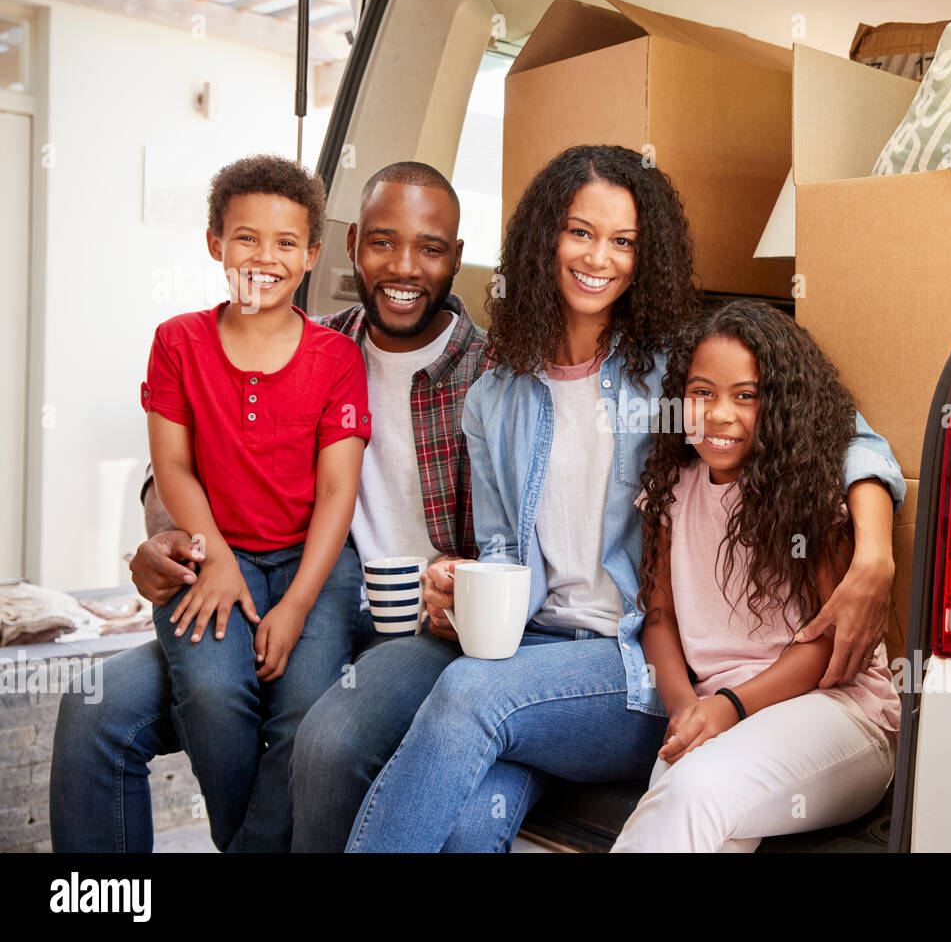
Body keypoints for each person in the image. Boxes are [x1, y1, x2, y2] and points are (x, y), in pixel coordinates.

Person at [344, 144, 905, 852]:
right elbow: (500, 549)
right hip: (534, 651)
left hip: (630, 664)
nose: (598, 258)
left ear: (648, 257)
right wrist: (460, 586)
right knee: (464, 821)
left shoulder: (683, 367)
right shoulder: (493, 396)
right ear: (545, 238)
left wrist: (876, 557)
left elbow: (849, 436)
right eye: (580, 232)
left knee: (468, 695)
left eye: (624, 242)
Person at [49, 161, 488, 852]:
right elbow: (180, 467)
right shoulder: (322, 337)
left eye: (429, 248)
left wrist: (465, 583)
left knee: (320, 733)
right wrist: (170, 543)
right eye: (381, 242)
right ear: (347, 249)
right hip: (251, 581)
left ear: (455, 260)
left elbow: (516, 542)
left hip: (401, 631)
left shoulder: (491, 378)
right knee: (93, 708)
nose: (404, 266)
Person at [609, 300, 900, 852]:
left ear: (781, 406)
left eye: (746, 396)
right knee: (701, 824)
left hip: (838, 714)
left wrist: (729, 707)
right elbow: (660, 615)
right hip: (714, 716)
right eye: (702, 392)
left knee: (695, 792)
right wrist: (684, 710)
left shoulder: (811, 494)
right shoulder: (672, 490)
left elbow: (828, 644)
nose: (720, 414)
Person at [140, 154, 369, 851]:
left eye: (285, 242)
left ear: (311, 255)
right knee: (212, 695)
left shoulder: (337, 359)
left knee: (304, 710)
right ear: (215, 243)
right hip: (214, 553)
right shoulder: (177, 342)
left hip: (315, 566)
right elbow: (172, 465)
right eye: (246, 237)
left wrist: (297, 602)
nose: (264, 258)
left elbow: (339, 489)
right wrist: (214, 560)